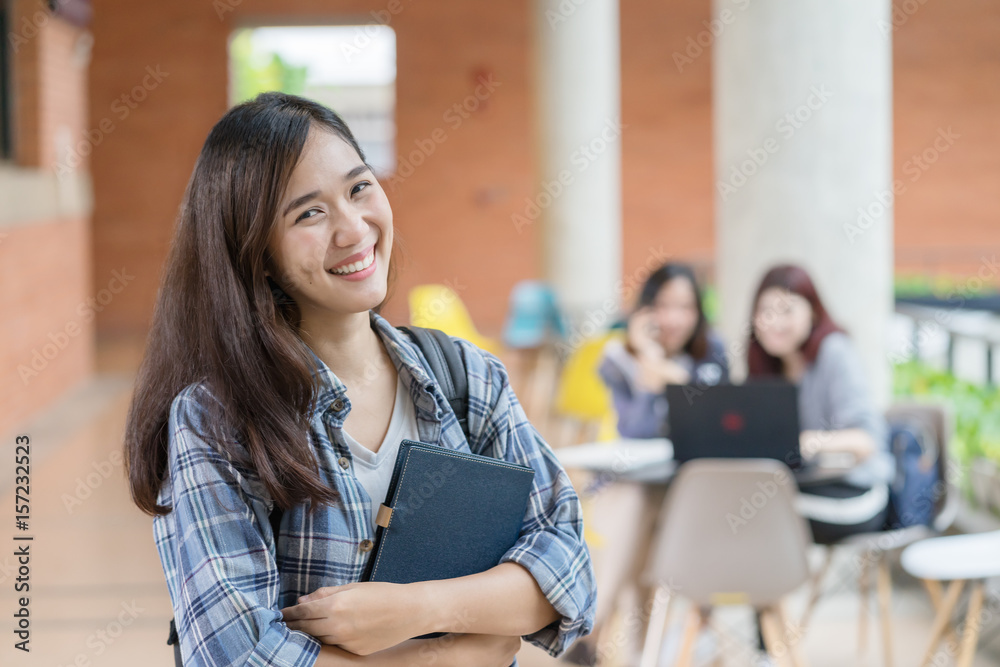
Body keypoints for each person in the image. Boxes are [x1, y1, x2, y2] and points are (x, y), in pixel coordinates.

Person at [122, 92, 596, 667]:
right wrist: (459, 654)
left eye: (359, 188)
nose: (353, 229)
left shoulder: (467, 379)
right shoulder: (217, 419)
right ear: (256, 253)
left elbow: (565, 563)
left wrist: (417, 609)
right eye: (308, 214)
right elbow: (236, 652)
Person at [746, 264, 895, 543]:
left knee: (748, 514)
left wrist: (803, 442)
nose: (775, 322)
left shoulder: (835, 352)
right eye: (766, 312)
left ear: (813, 312)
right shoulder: (767, 367)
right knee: (735, 504)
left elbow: (866, 442)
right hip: (802, 487)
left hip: (857, 492)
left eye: (787, 310)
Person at [598, 262, 730, 439]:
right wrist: (650, 358)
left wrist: (678, 378)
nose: (674, 319)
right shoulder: (618, 359)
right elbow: (635, 432)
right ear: (645, 310)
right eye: (663, 305)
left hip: (699, 464)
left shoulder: (712, 347)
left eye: (685, 307)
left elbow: (717, 421)